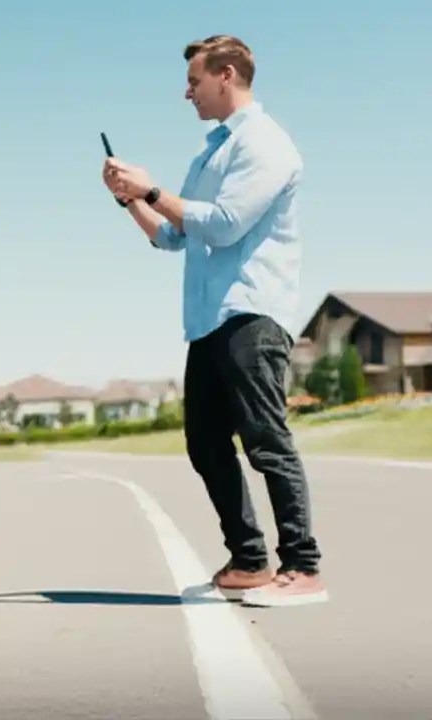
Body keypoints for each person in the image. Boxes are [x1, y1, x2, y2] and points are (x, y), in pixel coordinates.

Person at [101, 35, 327, 607]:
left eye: (194, 81)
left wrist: (153, 188)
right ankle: (249, 561)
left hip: (251, 314)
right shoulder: (210, 154)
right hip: (207, 322)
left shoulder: (266, 142)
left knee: (265, 440)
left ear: (226, 75)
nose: (187, 93)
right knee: (204, 443)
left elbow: (224, 224)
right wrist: (131, 200)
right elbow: (173, 235)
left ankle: (303, 568)